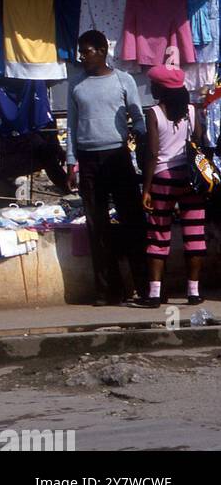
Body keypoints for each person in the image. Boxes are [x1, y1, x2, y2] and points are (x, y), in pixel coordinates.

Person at [67, 29, 150, 306]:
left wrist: (137, 131)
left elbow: (137, 116)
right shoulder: (77, 85)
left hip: (117, 156)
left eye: (86, 51)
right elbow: (71, 125)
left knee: (133, 221)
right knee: (96, 225)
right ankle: (107, 290)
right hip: (88, 159)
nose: (82, 57)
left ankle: (145, 286)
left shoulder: (123, 80)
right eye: (80, 52)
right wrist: (70, 162)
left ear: (102, 51)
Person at [140, 65, 207, 308]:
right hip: (190, 179)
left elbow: (153, 152)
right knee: (195, 234)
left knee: (158, 234)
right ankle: (193, 291)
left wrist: (146, 188)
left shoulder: (154, 113)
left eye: (153, 84)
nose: (150, 87)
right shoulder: (191, 110)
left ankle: (155, 294)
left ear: (161, 88)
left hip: (163, 178)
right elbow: (198, 141)